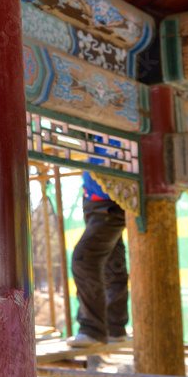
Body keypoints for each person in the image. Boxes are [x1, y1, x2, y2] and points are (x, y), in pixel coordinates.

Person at [66, 143, 130, 348]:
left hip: (110, 205)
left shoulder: (118, 124)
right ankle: (114, 328)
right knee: (113, 263)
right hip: (96, 204)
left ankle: (93, 329)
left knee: (84, 259)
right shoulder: (90, 134)